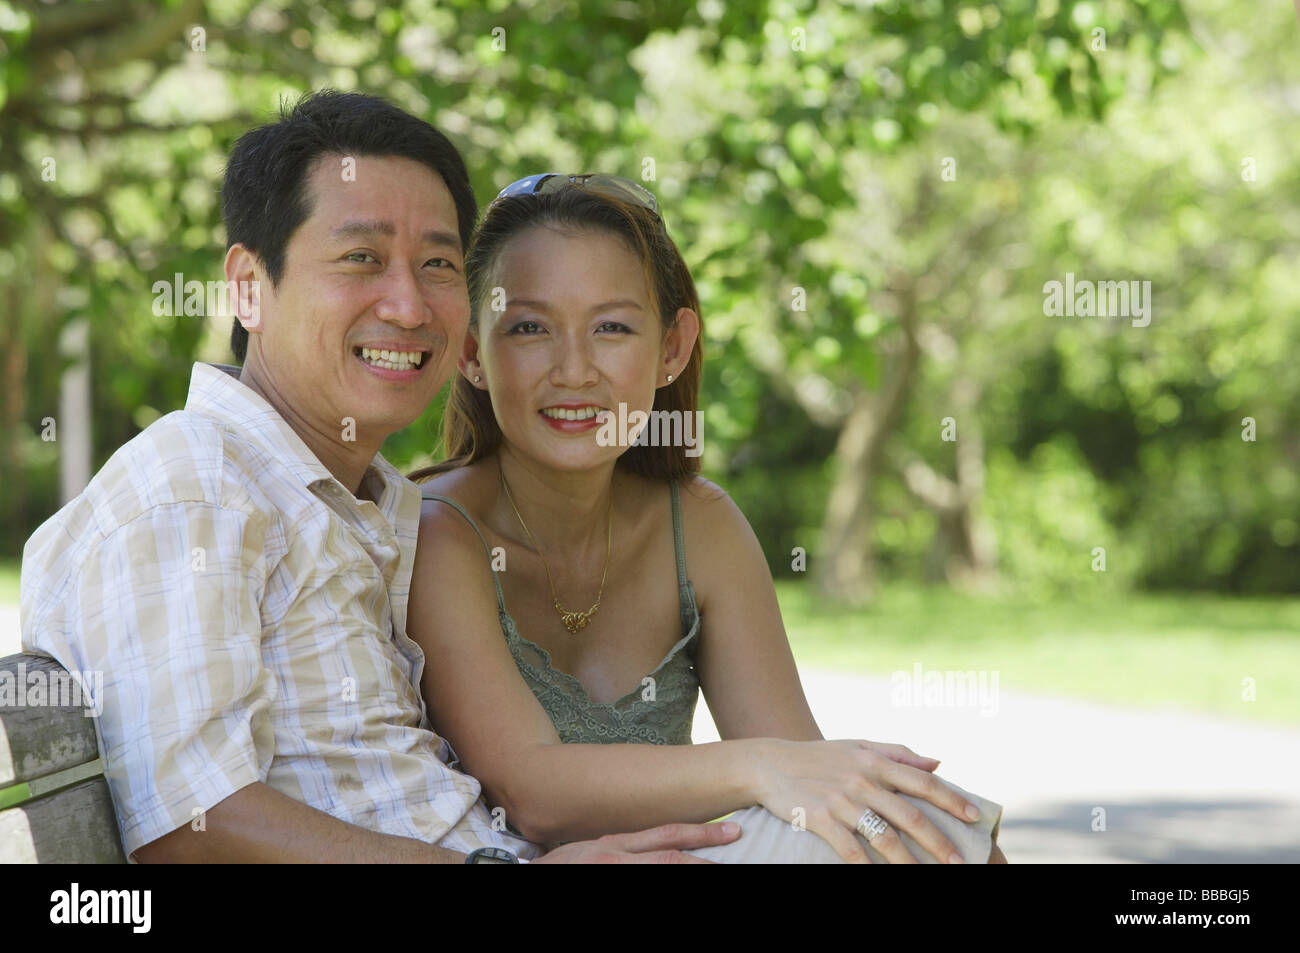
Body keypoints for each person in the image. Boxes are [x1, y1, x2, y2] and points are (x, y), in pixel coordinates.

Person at [18, 92, 743, 864]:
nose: (406, 304)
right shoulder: (191, 484)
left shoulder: (367, 503)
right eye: (361, 258)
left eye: (436, 264)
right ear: (249, 286)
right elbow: (192, 824)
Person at [407, 175, 1007, 863]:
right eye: (529, 328)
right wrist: (755, 765)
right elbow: (531, 790)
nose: (573, 370)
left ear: (672, 347)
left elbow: (809, 781)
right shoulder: (440, 532)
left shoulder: (698, 523)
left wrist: (877, 802)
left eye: (611, 327)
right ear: (473, 353)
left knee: (935, 835)